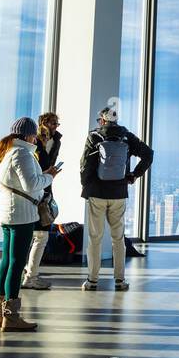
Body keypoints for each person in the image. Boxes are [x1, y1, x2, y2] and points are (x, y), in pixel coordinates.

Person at [79, 106, 153, 291]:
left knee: (95, 238)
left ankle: (92, 280)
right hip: (119, 193)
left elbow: (85, 165)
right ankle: (120, 280)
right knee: (118, 238)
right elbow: (148, 154)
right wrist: (134, 175)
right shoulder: (127, 136)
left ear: (102, 120)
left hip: (97, 193)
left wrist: (86, 185)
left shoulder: (94, 136)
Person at [0, 117, 53, 332]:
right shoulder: (22, 153)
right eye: (34, 133)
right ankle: (12, 317)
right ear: (27, 135)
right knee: (17, 264)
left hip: (7, 213)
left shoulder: (5, 153)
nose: (36, 137)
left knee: (7, 261)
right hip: (22, 215)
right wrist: (50, 176)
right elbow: (31, 184)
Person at [22, 112, 64, 291]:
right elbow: (38, 168)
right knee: (40, 236)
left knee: (37, 235)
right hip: (37, 191)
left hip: (44, 190)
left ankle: (29, 274)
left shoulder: (55, 141)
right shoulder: (34, 143)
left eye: (57, 124)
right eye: (53, 123)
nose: (56, 127)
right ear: (44, 123)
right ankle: (30, 276)